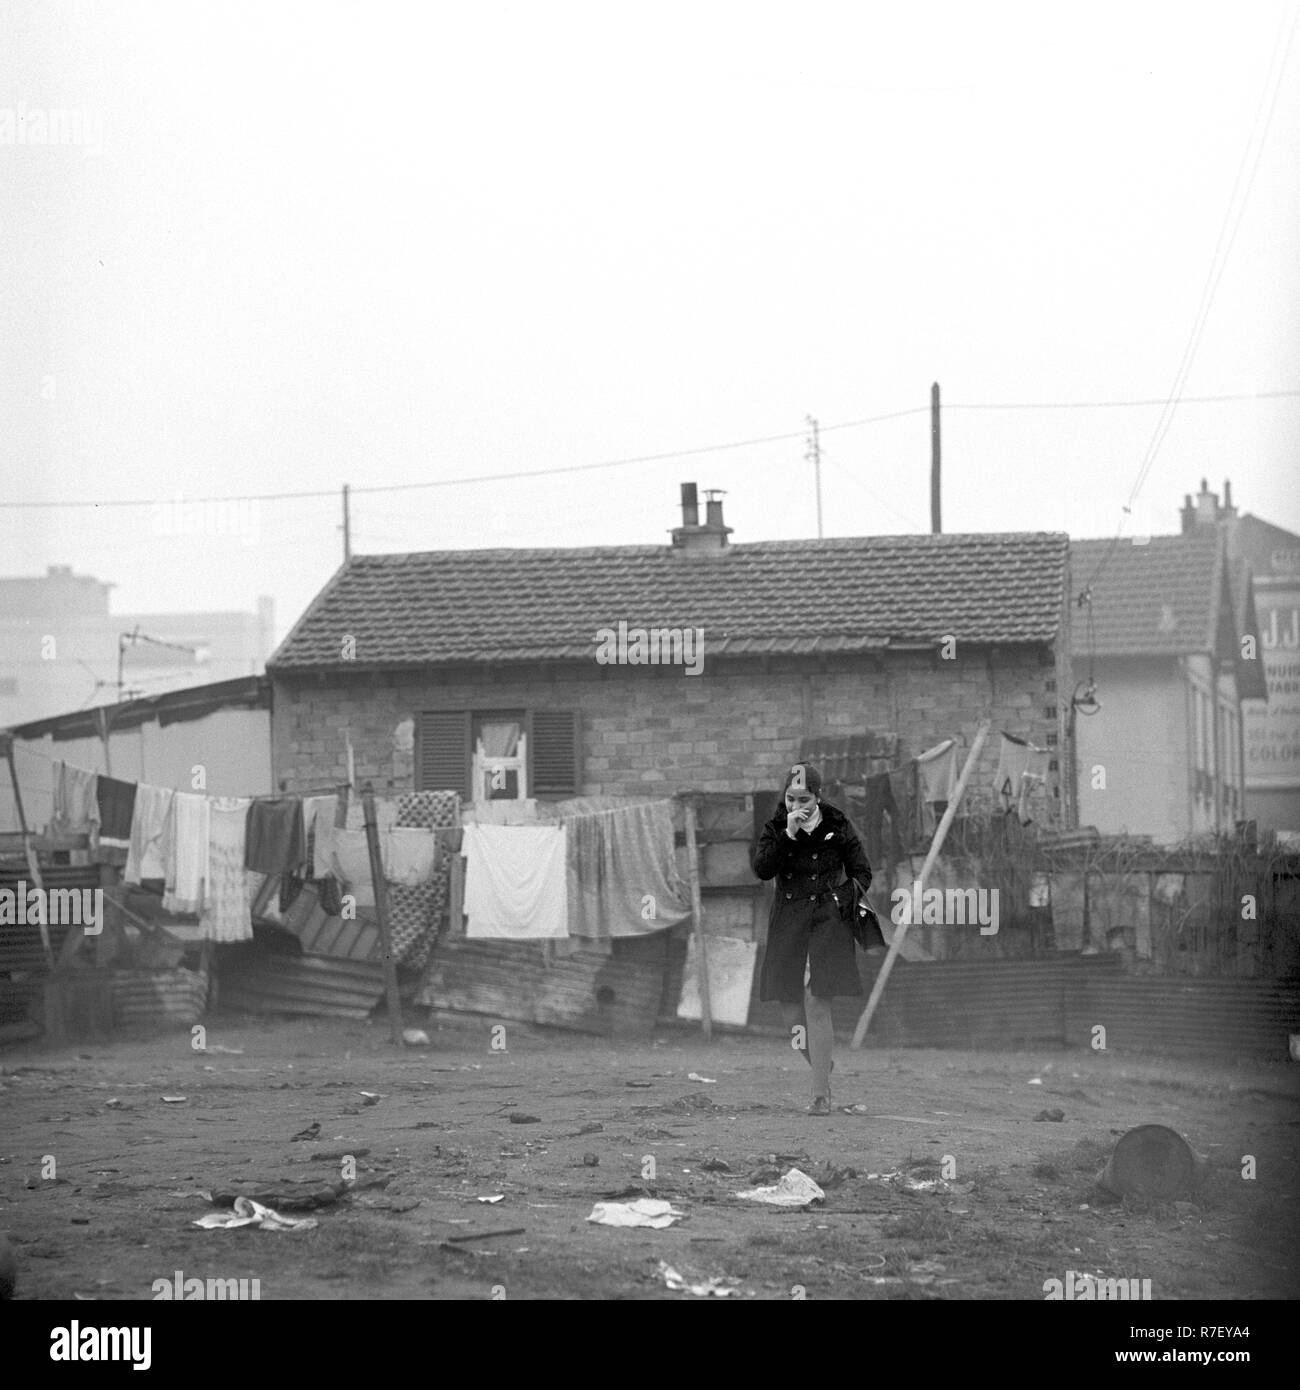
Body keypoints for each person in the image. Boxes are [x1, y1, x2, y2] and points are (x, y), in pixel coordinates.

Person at [752, 761, 874, 1115]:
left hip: (827, 919)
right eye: (790, 799)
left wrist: (839, 901)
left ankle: (821, 1094)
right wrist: (787, 836)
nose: (795, 807)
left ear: (818, 797)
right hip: (789, 918)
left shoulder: (838, 824)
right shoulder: (777, 825)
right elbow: (762, 870)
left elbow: (862, 871)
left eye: (803, 799)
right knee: (790, 1008)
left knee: (818, 1000)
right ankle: (821, 1062)